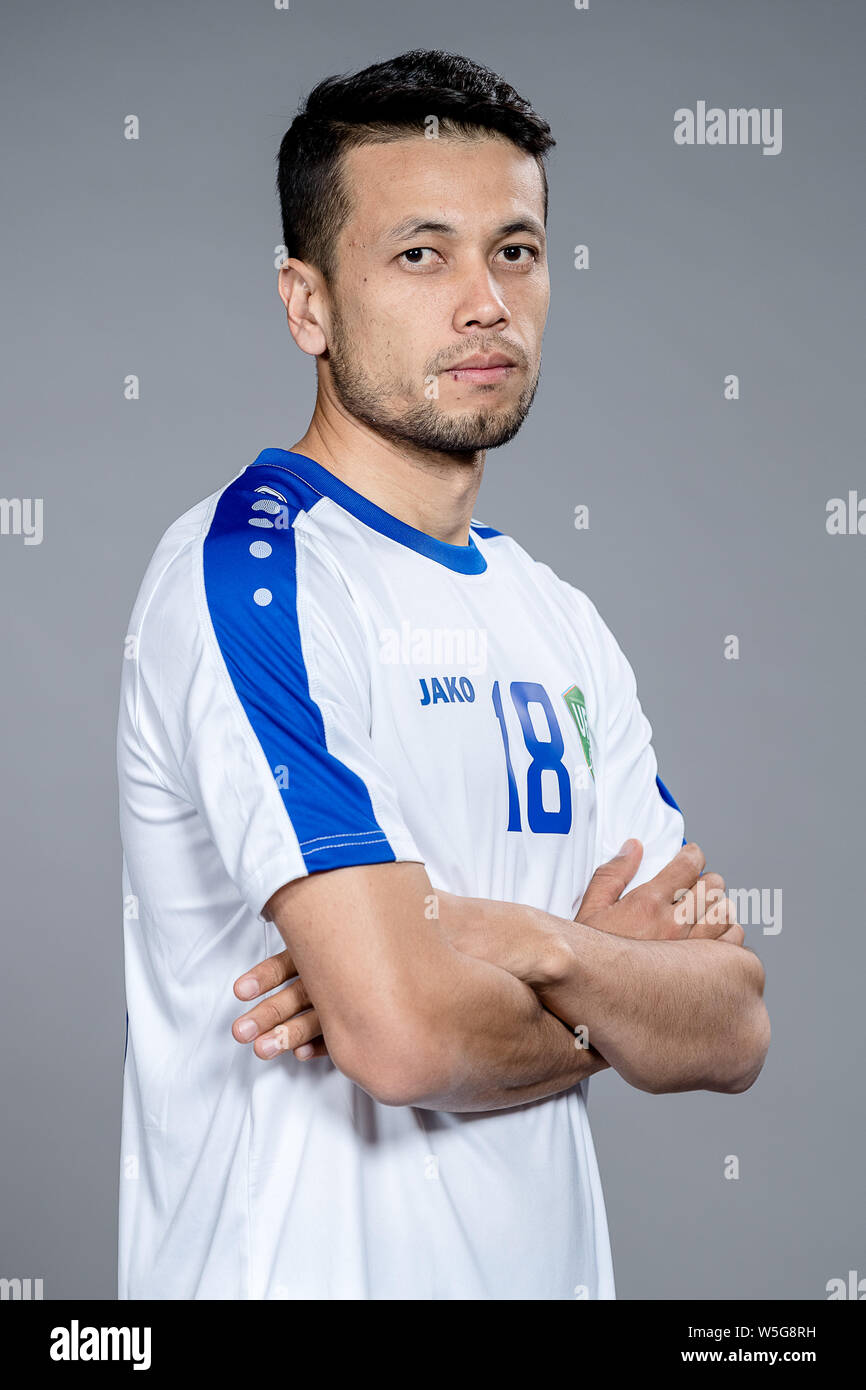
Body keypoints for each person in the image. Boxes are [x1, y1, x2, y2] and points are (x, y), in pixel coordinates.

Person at [117, 49, 769, 1301]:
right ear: (305, 304)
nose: (485, 302)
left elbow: (729, 1022)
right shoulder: (256, 575)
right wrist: (605, 979)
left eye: (514, 250)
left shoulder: (558, 618)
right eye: (421, 253)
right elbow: (404, 1039)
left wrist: (511, 939)